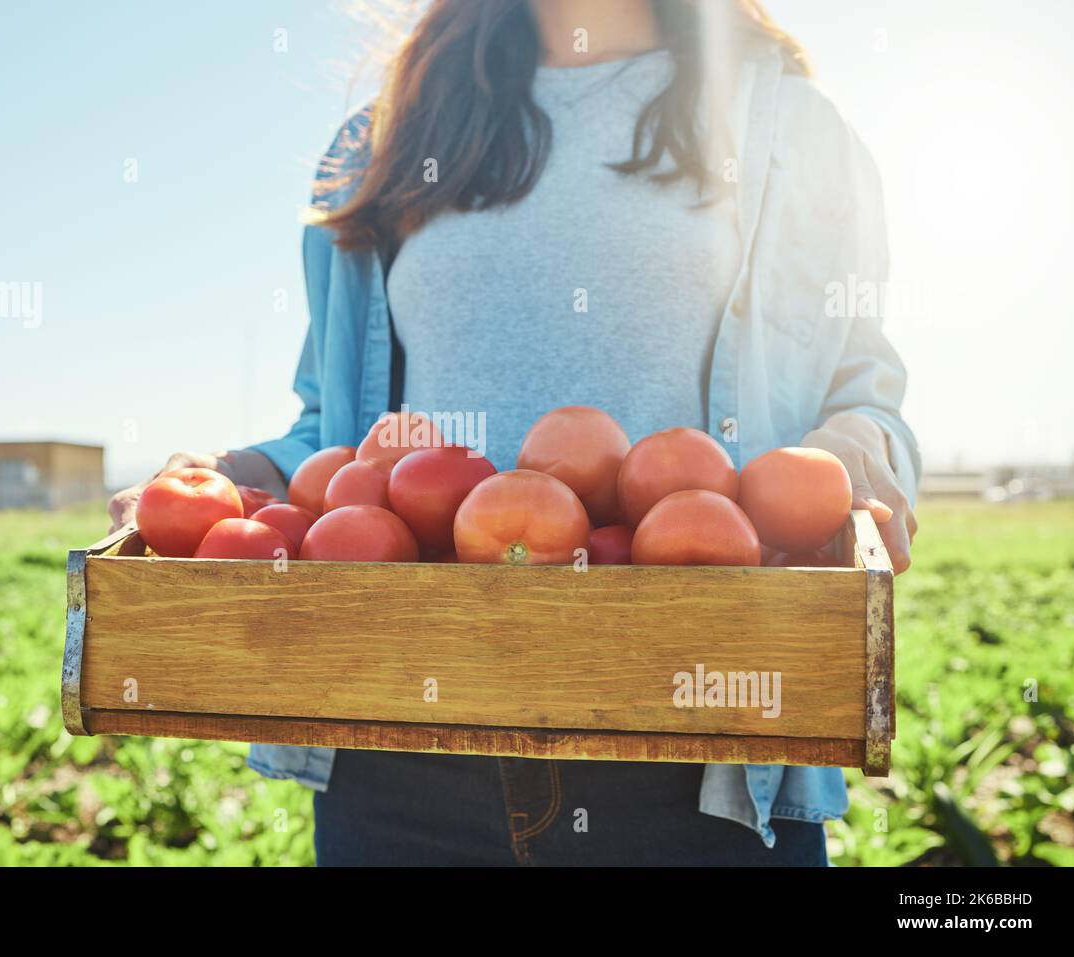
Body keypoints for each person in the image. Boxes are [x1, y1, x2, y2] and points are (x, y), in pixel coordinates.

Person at [109, 0, 919, 866]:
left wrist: (850, 456)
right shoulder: (382, 139)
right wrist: (231, 477)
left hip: (702, 749)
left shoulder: (788, 124)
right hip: (397, 745)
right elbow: (333, 433)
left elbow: (864, 396)